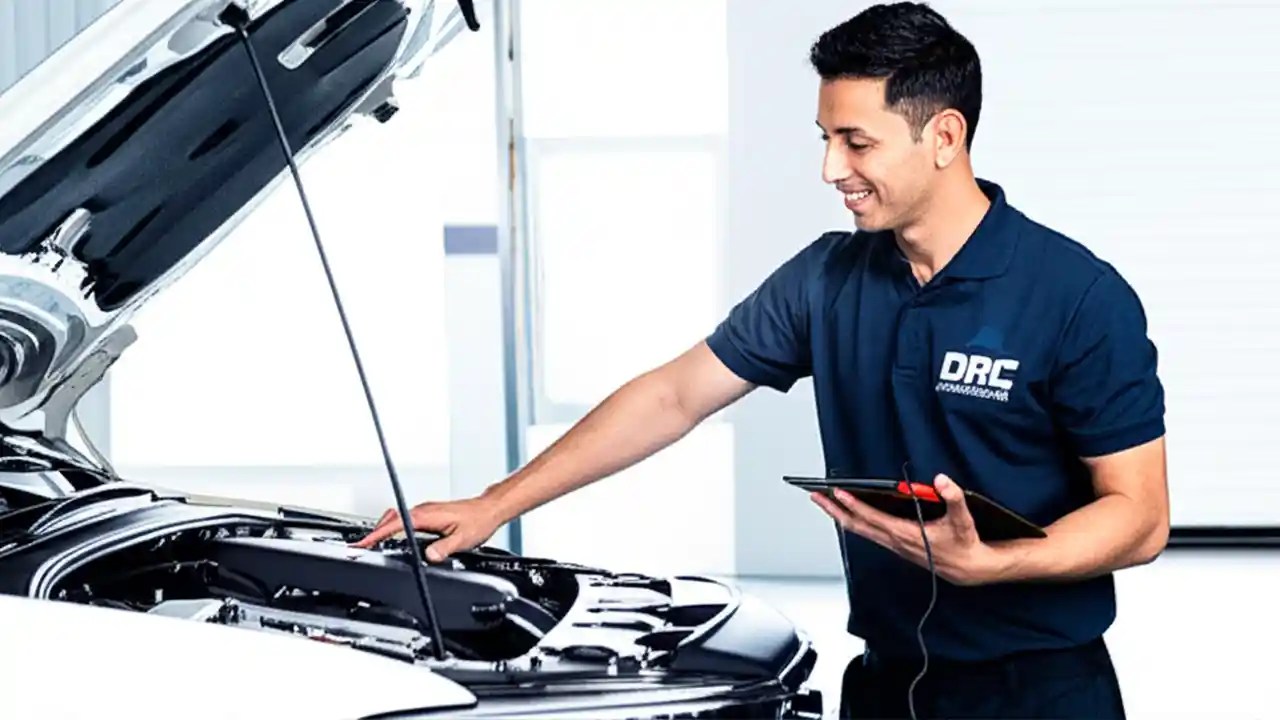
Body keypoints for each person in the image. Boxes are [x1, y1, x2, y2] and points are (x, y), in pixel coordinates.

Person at [356, 3, 1169, 717]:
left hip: (1039, 694)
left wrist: (998, 565)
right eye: (825, 139)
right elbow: (675, 396)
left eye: (857, 143)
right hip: (885, 684)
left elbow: (1139, 515)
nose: (830, 171)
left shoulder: (1077, 297)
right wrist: (497, 503)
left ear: (945, 136)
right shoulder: (828, 276)